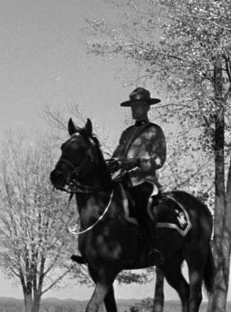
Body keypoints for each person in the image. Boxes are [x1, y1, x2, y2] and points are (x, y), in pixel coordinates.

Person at [72, 87, 167, 266]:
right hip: (123, 181)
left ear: (147, 107)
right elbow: (117, 154)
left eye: (138, 106)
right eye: (133, 106)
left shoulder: (155, 131)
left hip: (144, 181)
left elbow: (159, 159)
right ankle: (91, 250)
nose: (135, 110)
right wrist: (111, 163)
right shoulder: (127, 133)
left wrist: (138, 162)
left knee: (140, 203)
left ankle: (152, 248)